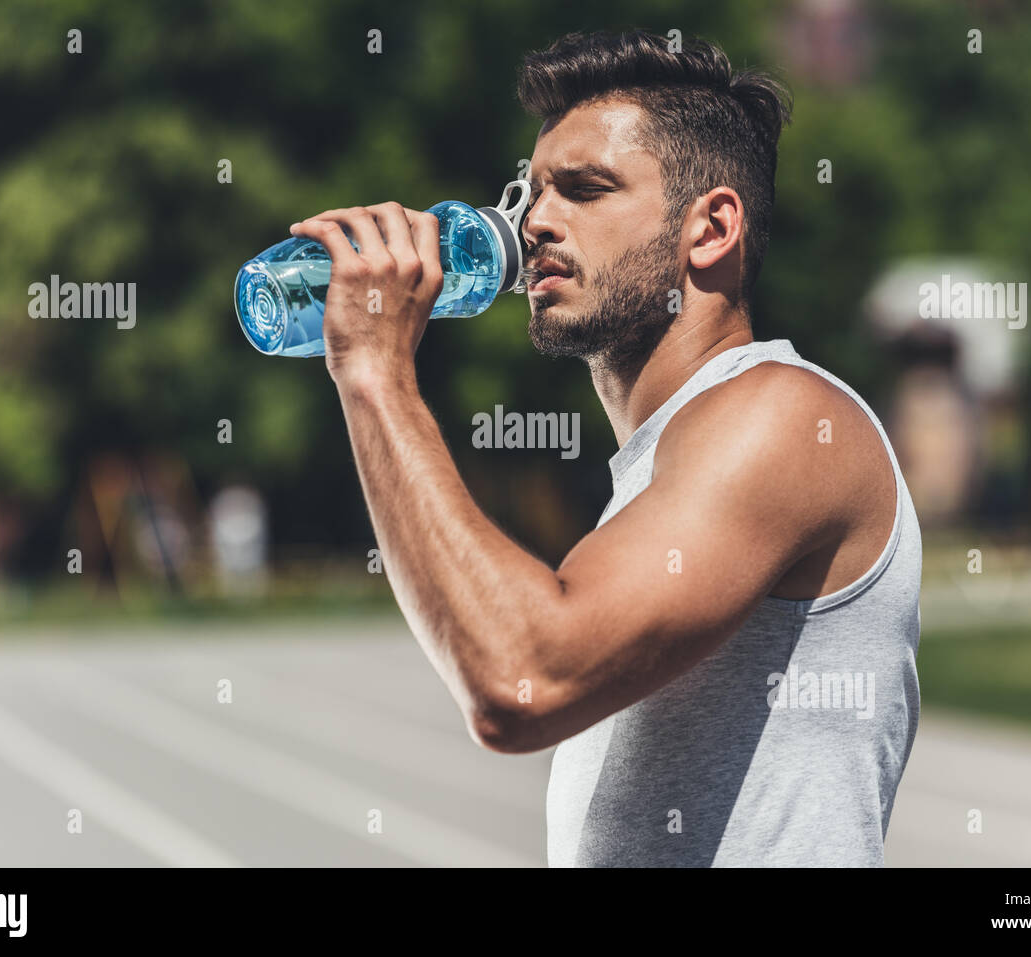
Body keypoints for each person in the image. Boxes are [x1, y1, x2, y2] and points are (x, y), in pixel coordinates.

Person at [290, 28, 921, 867]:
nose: (536, 221)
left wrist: (375, 373)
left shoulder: (784, 416)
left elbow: (522, 679)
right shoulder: (663, 467)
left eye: (584, 190)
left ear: (711, 229)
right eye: (530, 191)